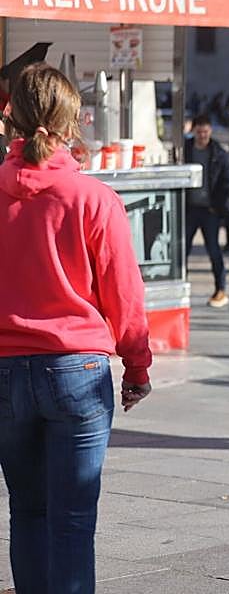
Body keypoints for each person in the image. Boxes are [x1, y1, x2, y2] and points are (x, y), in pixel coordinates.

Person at [0, 63, 153, 593]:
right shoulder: (93, 199)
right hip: (76, 370)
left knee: (27, 512)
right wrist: (137, 365)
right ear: (73, 124)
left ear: (10, 119)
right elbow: (123, 294)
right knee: (72, 522)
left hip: (4, 370)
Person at [184, 114, 229, 308]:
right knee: (183, 250)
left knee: (214, 250)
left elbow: (228, 181)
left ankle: (221, 289)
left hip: (210, 210)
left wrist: (218, 204)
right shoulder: (185, 150)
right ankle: (183, 285)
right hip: (189, 208)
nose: (202, 136)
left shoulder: (219, 153)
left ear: (210, 131)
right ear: (194, 131)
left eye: (205, 132)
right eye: (199, 132)